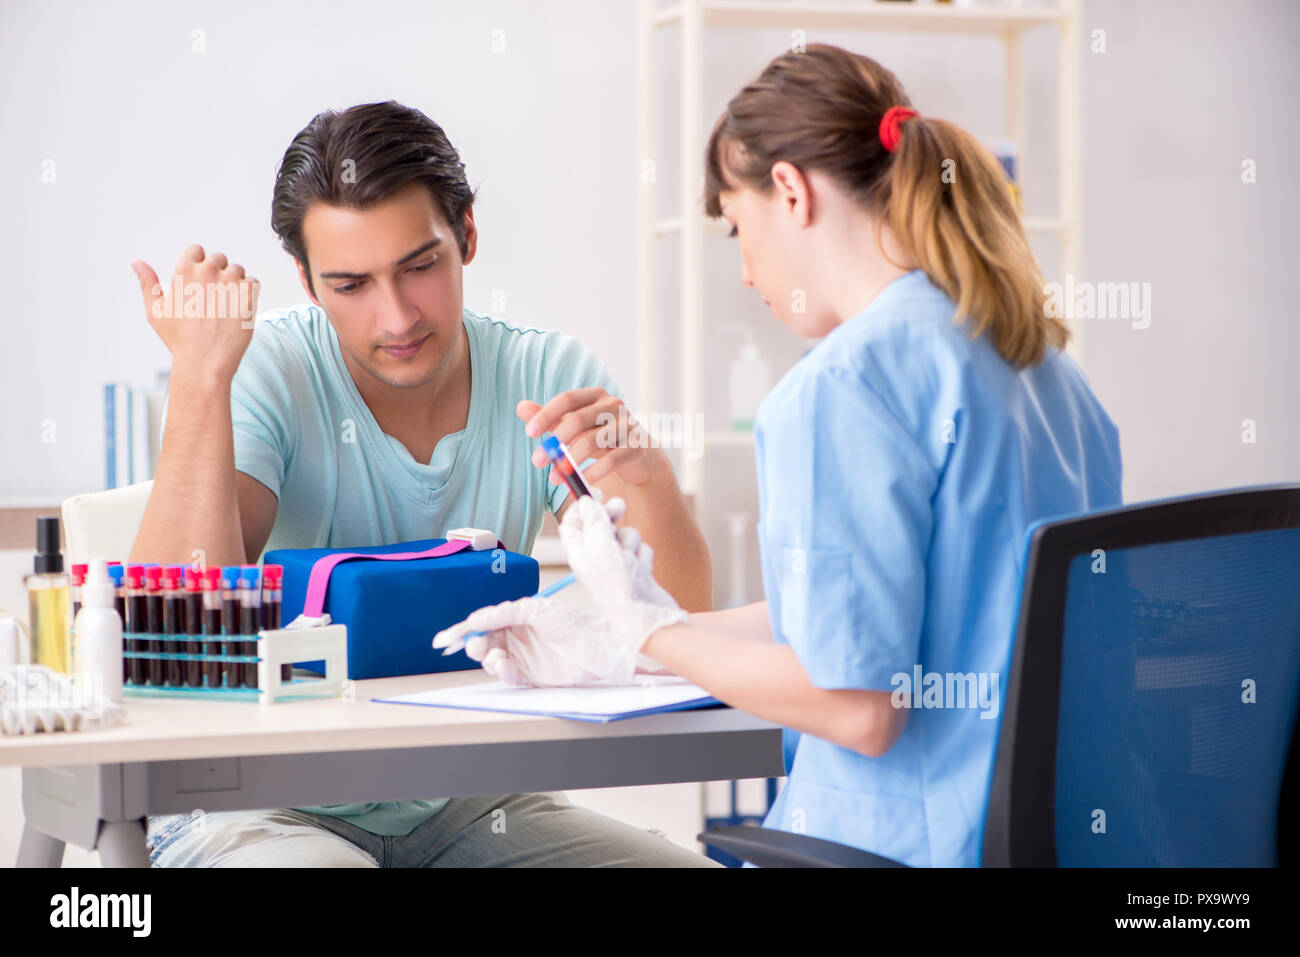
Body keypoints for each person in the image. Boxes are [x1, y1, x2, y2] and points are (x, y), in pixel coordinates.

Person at [434, 45, 1123, 868]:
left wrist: (651, 632)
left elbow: (860, 705)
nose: (748, 268)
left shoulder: (842, 386)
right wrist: (622, 624)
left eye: (736, 224)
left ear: (790, 191)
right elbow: (912, 615)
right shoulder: (1045, 367)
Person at [128, 100, 717, 867]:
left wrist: (651, 476)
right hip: (256, 805)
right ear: (305, 281)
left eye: (419, 266)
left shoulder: (545, 375)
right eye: (351, 284)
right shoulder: (266, 370)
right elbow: (181, 629)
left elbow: (681, 627)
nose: (397, 315)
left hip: (469, 799)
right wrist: (201, 380)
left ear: (466, 235)